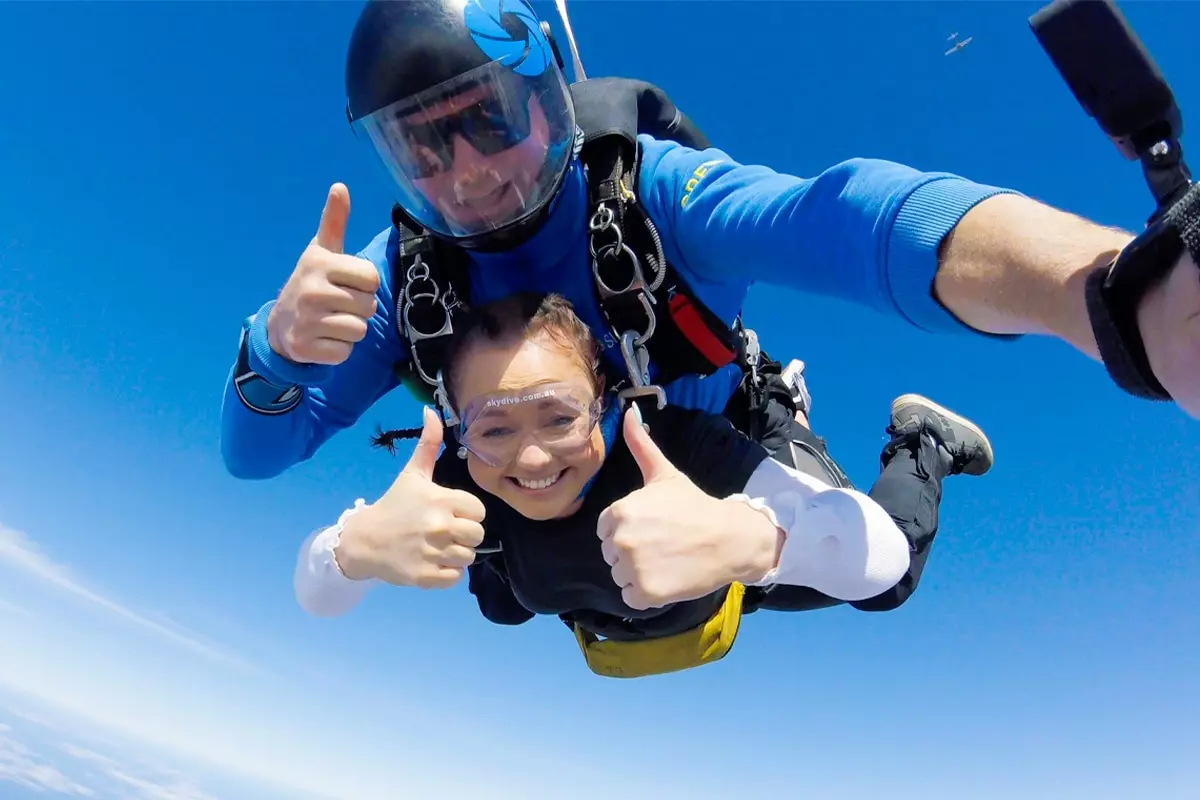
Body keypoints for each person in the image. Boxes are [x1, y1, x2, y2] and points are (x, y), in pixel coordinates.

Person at [220, 0, 1200, 489]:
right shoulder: (403, 280)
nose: (464, 171)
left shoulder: (650, 190)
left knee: (877, 576)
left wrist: (1108, 292)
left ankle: (919, 444)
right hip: (552, 491)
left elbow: (848, 217)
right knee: (537, 578)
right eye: (419, 142)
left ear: (549, 93)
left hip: (711, 452)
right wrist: (274, 346)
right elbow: (260, 453)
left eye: (485, 117)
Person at [293, 293, 994, 679]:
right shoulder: (458, 482)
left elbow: (880, 561)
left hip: (728, 584)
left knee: (886, 587)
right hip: (611, 622)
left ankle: (916, 441)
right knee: (500, 606)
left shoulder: (674, 449)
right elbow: (315, 597)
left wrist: (752, 538)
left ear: (603, 401)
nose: (531, 458)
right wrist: (355, 546)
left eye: (558, 416)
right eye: (494, 427)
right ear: (458, 427)